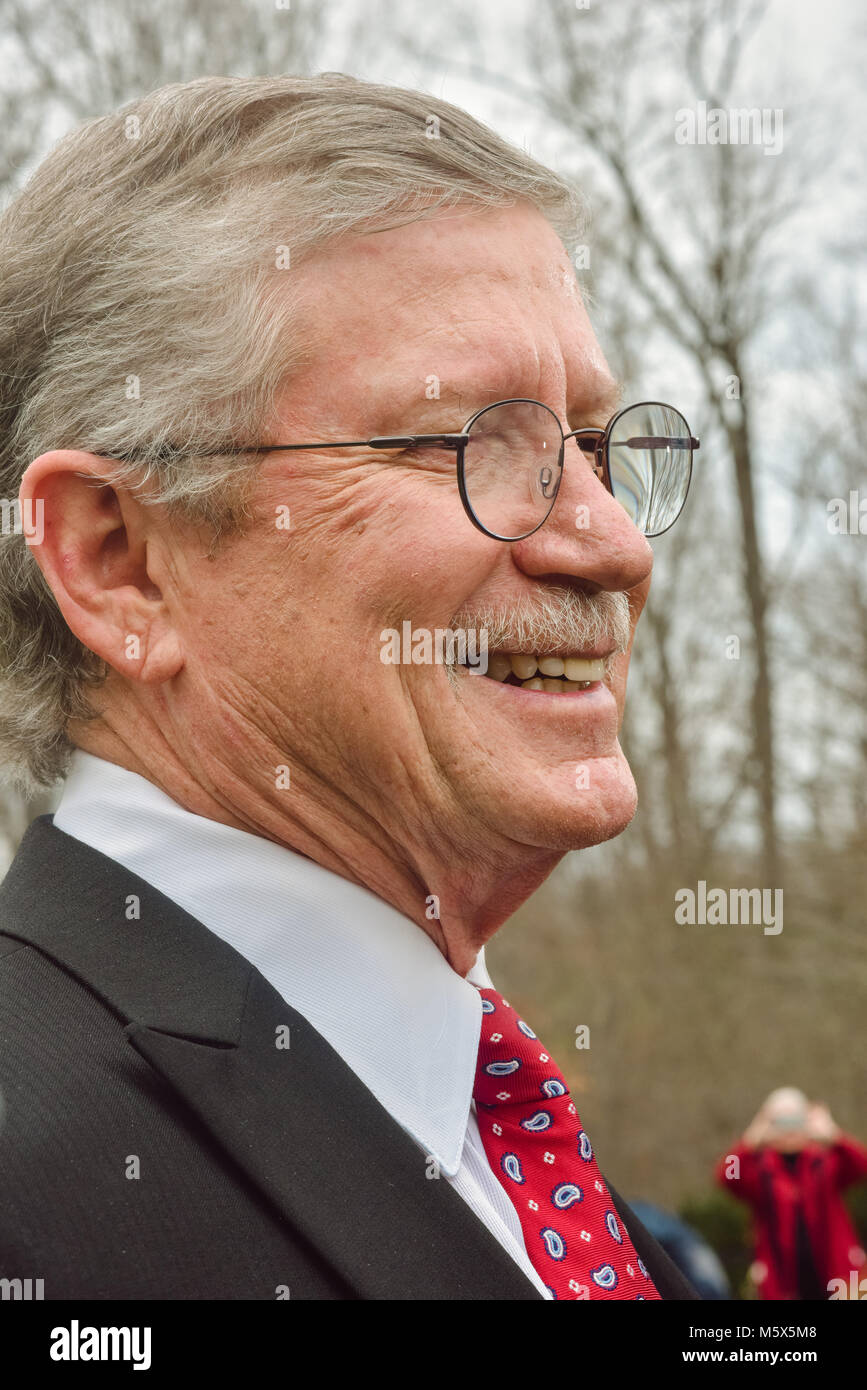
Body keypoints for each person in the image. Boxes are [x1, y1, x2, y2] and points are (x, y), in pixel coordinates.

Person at [0, 74, 701, 1300]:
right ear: (117, 558)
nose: (613, 547)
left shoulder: (511, 1140)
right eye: (468, 443)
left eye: (588, 445)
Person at [716, 1088, 867, 1300]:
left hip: (836, 1277)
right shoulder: (761, 1171)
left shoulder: (824, 1161)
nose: (789, 1131)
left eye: (795, 1120)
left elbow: (860, 1165)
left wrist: (834, 1135)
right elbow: (727, 1176)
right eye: (781, 1122)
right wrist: (749, 1141)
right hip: (784, 1282)